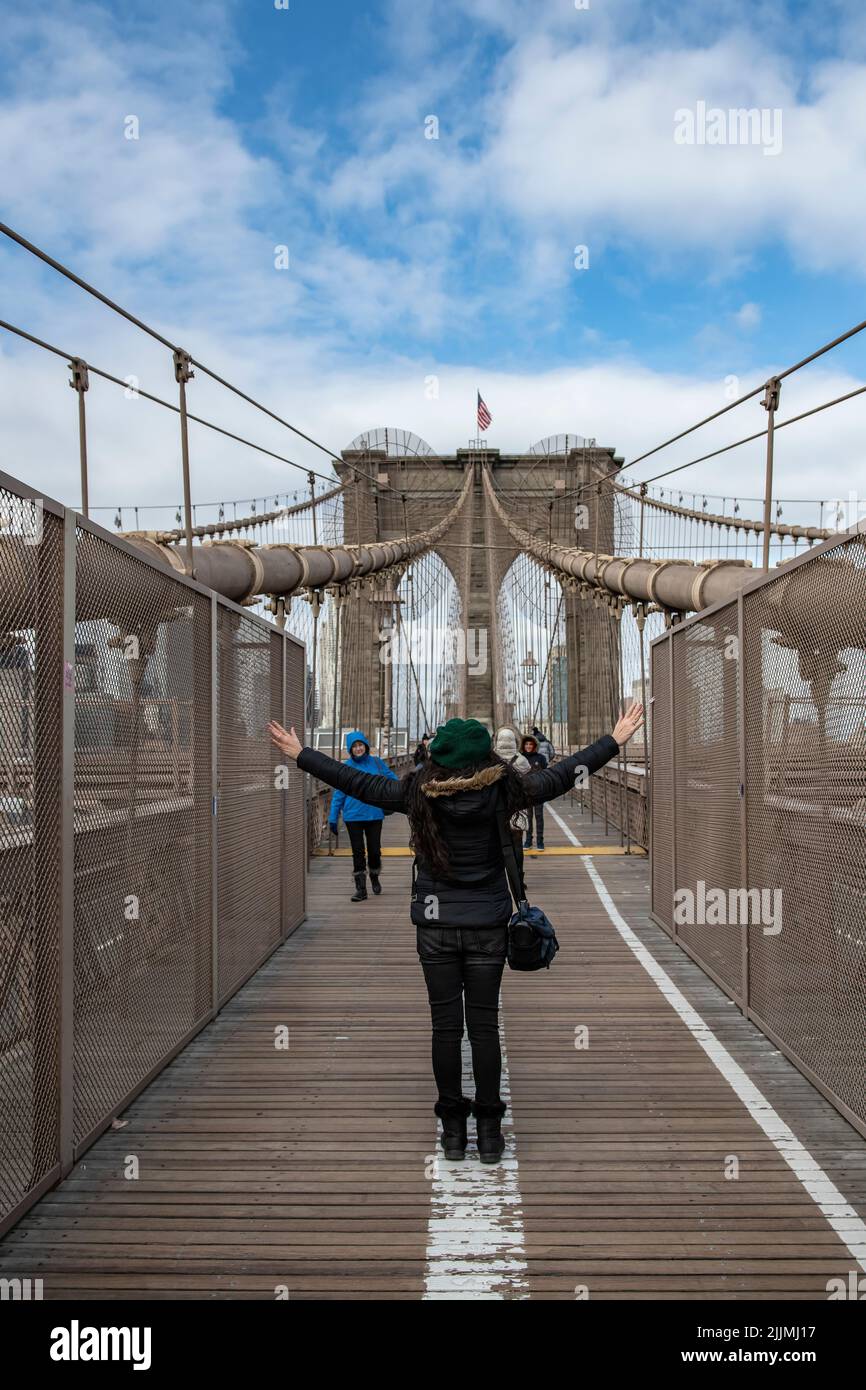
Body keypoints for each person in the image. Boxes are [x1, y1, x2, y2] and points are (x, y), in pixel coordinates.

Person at [268, 702, 644, 1165]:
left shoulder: (417, 791)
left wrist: (302, 753)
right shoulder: (507, 789)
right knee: (483, 1027)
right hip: (489, 924)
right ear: (487, 756)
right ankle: (489, 1132)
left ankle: (452, 1132)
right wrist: (614, 739)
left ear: (439, 756)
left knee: (445, 1029)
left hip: (436, 927)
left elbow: (356, 781)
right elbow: (562, 775)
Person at [328, 730, 398, 901]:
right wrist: (332, 817)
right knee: (357, 852)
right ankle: (361, 889)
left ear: (365, 746)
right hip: (353, 816)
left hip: (374, 813)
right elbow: (338, 794)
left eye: (360, 745)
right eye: (354, 746)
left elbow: (394, 781)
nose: (358, 749)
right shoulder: (345, 767)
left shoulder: (377, 763)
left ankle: (374, 875)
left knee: (374, 851)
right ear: (350, 749)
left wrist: (398, 795)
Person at [520, 735, 548, 850]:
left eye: (530, 744)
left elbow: (546, 773)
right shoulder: (520, 758)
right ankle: (528, 840)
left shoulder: (540, 758)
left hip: (538, 791)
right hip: (526, 791)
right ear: (523, 746)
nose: (528, 746)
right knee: (528, 817)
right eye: (526, 744)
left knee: (539, 816)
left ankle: (540, 841)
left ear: (534, 746)